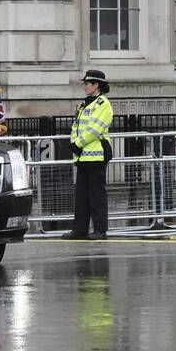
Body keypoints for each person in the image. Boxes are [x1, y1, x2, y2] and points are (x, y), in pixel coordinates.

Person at [66, 68, 114, 240]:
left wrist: (77, 144)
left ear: (96, 85)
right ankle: (79, 230)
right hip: (83, 157)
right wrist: (73, 142)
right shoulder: (84, 104)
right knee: (82, 196)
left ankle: (100, 230)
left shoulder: (103, 104)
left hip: (96, 156)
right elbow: (76, 126)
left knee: (97, 195)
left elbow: (95, 129)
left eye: (87, 83)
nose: (85, 86)